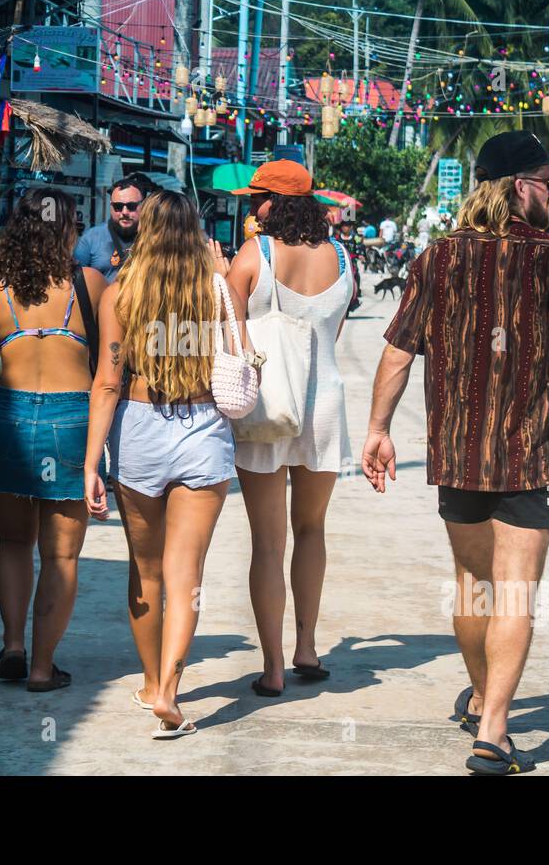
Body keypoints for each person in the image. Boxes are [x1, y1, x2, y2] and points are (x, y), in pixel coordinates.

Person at [361, 131, 549, 776]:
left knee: (474, 586)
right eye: (548, 184)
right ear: (521, 186)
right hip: (533, 449)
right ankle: (494, 730)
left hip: (459, 452)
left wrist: (378, 429)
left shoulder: (438, 257)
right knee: (517, 594)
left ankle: (478, 698)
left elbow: (397, 350)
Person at [83, 191, 254, 738]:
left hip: (139, 428)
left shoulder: (120, 293)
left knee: (146, 570)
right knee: (187, 576)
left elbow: (107, 381)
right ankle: (171, 692)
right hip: (203, 430)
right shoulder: (217, 289)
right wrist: (221, 273)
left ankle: (153, 682)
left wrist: (91, 465)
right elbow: (242, 355)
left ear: (147, 229)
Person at [0, 188, 106, 692]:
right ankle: (43, 668)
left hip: (11, 417)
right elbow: (111, 366)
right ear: (66, 229)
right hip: (72, 419)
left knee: (13, 542)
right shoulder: (89, 282)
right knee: (61, 556)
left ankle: (13, 645)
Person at [225, 159, 354, 695]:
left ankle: (273, 667)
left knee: (267, 542)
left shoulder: (255, 254)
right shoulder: (344, 258)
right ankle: (307, 646)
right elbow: (335, 332)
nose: (252, 208)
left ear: (275, 204)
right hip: (324, 403)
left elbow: (229, 333)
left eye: (258, 199)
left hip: (268, 406)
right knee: (311, 531)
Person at [73, 173, 157, 281]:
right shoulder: (91, 238)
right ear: (111, 206)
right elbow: (74, 282)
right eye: (118, 207)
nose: (124, 212)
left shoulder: (154, 239)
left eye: (131, 206)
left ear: (143, 205)